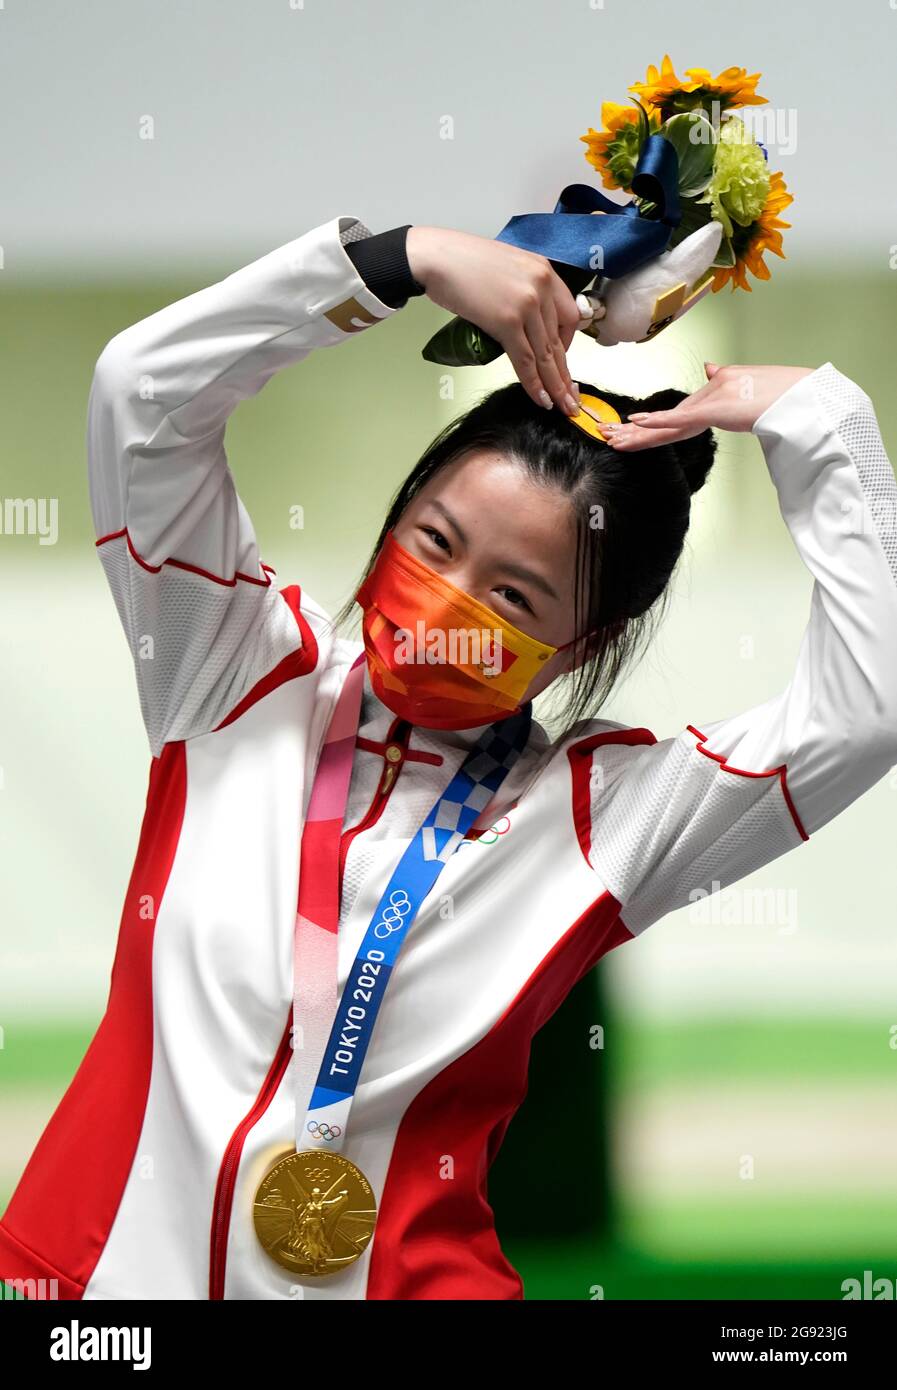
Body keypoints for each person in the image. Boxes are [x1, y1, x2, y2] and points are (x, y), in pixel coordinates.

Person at [1, 214, 896, 1303]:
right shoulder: (238, 674)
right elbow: (141, 396)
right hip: (88, 1294)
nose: (447, 607)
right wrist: (400, 261)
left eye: (513, 596)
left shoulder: (597, 817)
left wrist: (821, 424)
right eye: (433, 542)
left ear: (585, 643)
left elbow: (869, 707)